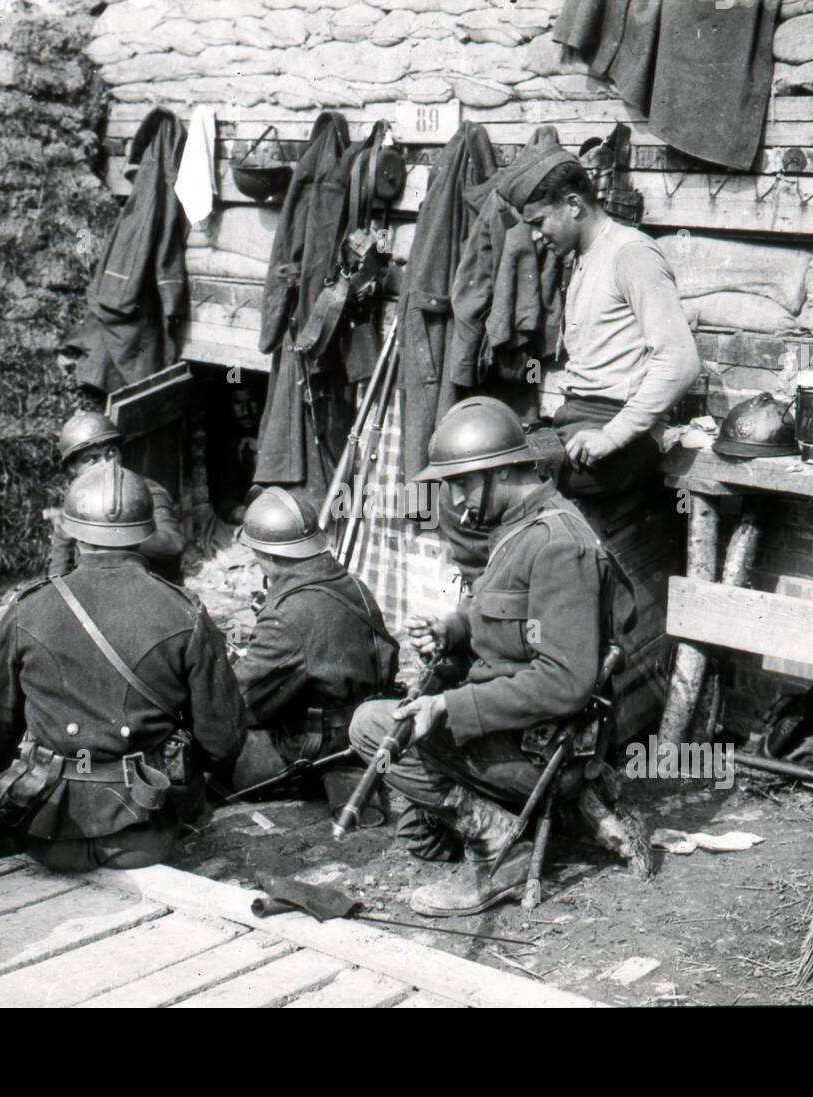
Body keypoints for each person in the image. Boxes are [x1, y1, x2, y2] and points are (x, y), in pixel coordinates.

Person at [349, 398, 647, 917]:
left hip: (542, 752)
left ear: (502, 471)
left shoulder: (558, 546)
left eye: (462, 483)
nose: (457, 499)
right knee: (397, 717)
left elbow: (565, 681)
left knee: (374, 727)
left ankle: (499, 845)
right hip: (516, 731)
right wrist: (451, 628)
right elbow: (502, 618)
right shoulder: (520, 526)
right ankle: (531, 818)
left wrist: (449, 709)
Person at [0, 462, 245, 872]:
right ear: (146, 532)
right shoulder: (184, 611)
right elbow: (222, 740)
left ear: (72, 531)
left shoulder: (27, 609)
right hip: (144, 831)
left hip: (48, 831)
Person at [502, 151, 700, 498]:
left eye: (539, 222)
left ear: (573, 205)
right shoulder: (581, 259)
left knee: (510, 492)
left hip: (620, 430)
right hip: (577, 420)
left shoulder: (630, 254)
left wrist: (612, 436)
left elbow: (680, 361)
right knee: (491, 466)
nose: (536, 236)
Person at [230, 488, 398, 819]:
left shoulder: (288, 612)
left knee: (213, 744)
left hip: (317, 746)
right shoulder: (351, 584)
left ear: (271, 556)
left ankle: (329, 777)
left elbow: (243, 703)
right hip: (364, 728)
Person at [48, 409, 185, 583]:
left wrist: (109, 537)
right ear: (72, 469)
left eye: (111, 453)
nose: (106, 464)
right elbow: (57, 580)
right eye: (91, 459)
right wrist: (63, 538)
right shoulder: (78, 499)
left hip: (150, 590)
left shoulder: (145, 492)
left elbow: (173, 544)